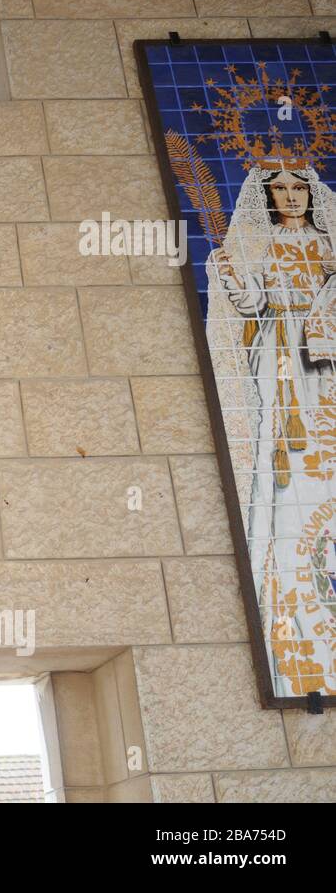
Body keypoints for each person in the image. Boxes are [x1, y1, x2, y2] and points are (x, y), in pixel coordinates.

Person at [212, 164, 336, 695]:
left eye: (298, 186)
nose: (290, 195)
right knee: (286, 435)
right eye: (280, 188)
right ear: (269, 196)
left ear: (311, 191)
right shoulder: (265, 245)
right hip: (281, 348)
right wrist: (233, 279)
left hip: (325, 347)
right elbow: (257, 305)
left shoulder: (328, 241)